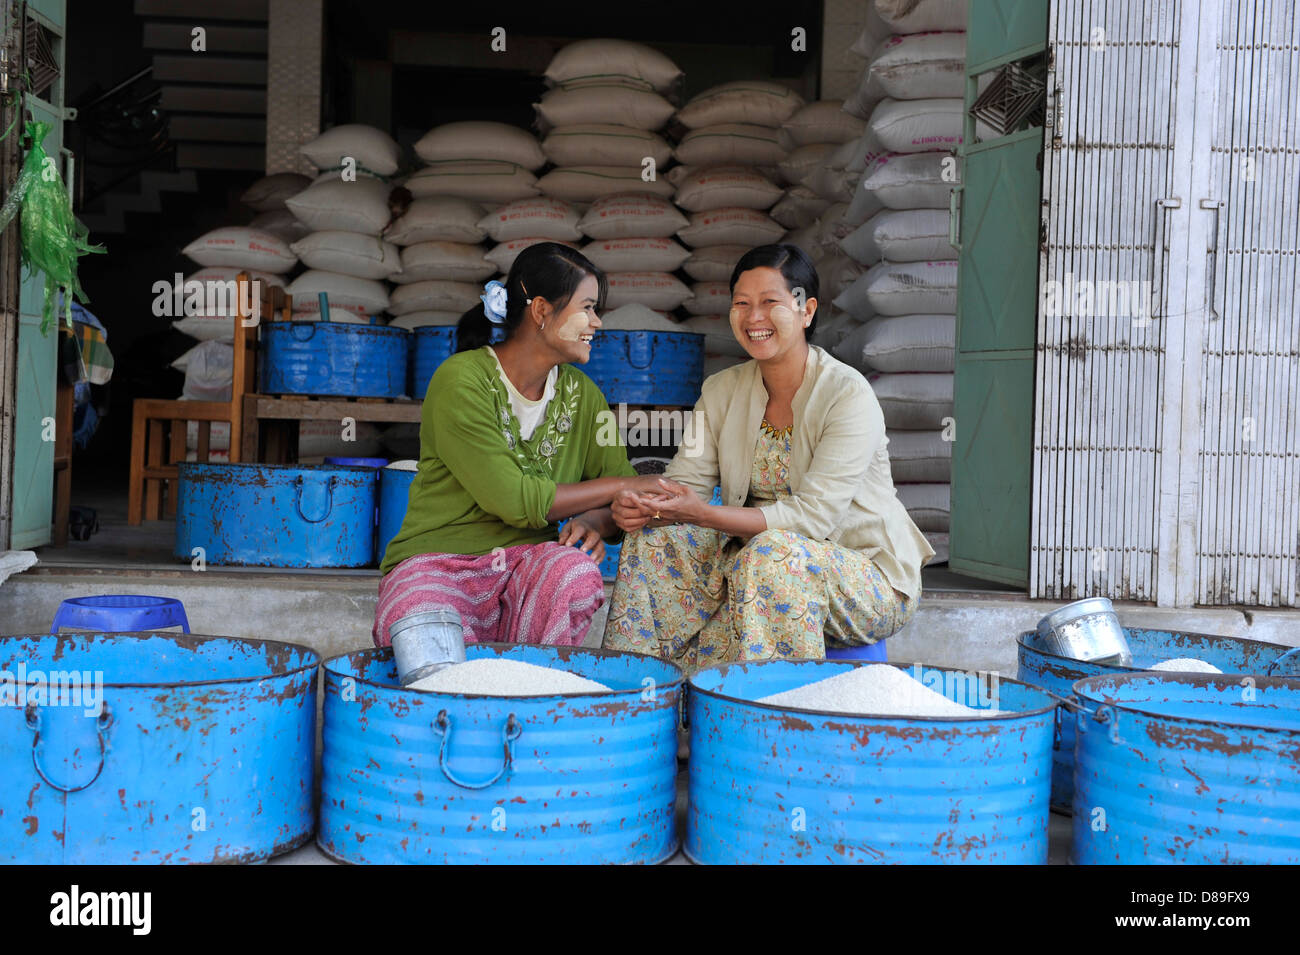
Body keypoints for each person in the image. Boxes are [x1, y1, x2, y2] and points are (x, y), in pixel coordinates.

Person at [602, 243, 934, 671]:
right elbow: (686, 484)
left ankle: (771, 719)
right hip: (754, 563)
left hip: (863, 577)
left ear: (806, 310)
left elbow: (813, 519)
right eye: (741, 303)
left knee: (772, 554)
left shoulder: (846, 395)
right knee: (654, 540)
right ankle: (644, 696)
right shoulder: (720, 391)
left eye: (769, 302)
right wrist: (649, 506)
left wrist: (703, 514)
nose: (753, 317)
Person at [374, 242, 667, 648]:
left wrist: (595, 522)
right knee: (423, 621)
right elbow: (515, 499)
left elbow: (620, 493)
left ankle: (531, 694)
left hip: (526, 568)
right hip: (438, 563)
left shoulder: (585, 396)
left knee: (573, 572)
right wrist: (624, 487)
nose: (596, 322)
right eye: (587, 308)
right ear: (542, 310)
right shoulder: (460, 380)